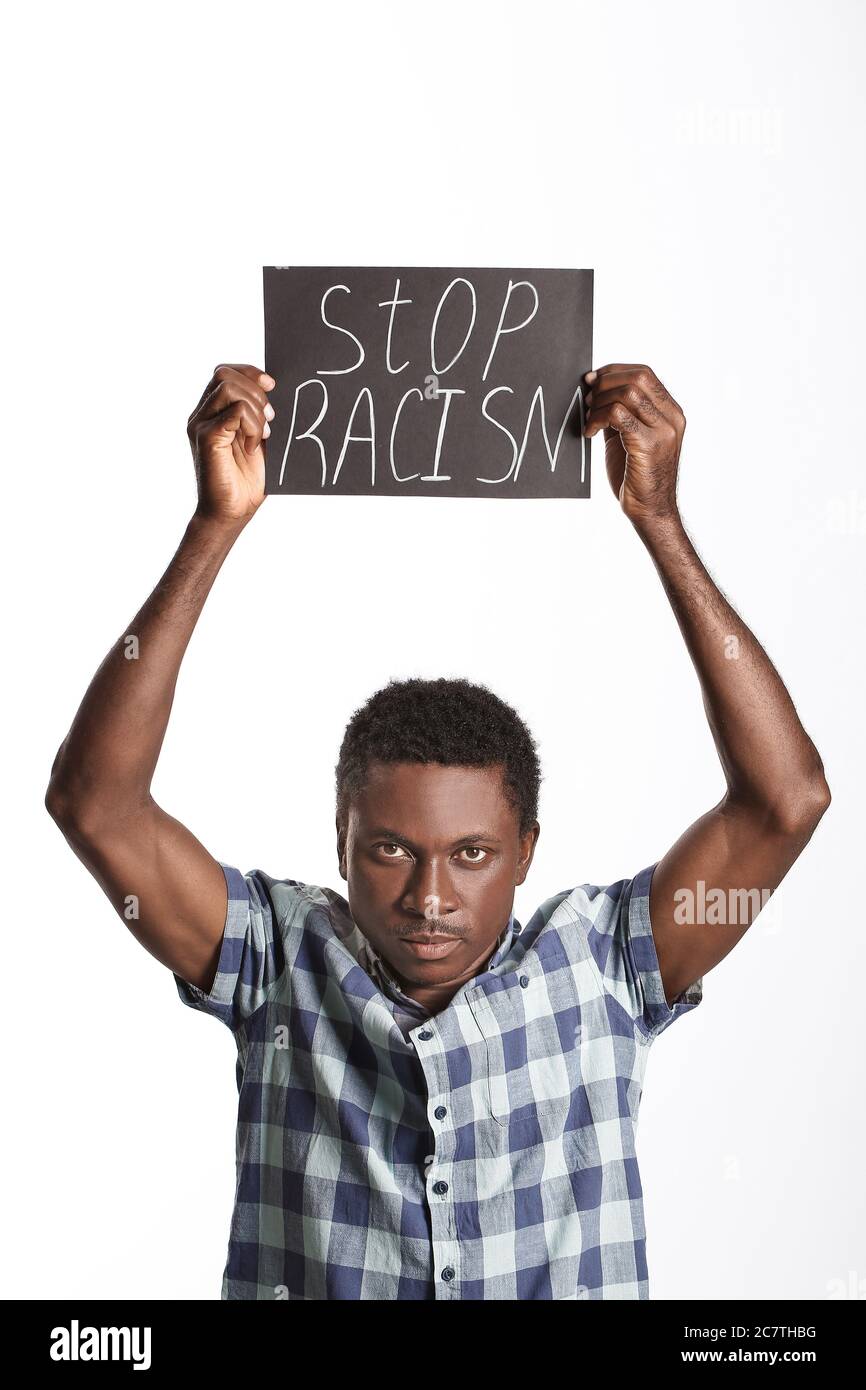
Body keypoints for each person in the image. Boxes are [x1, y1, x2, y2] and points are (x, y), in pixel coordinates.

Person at [46, 361, 830, 1300]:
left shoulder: (606, 965)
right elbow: (95, 803)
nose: (429, 897)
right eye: (391, 850)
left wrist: (659, 521)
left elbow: (786, 800)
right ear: (340, 839)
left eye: (471, 856)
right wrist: (214, 526)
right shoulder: (277, 959)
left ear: (526, 851)